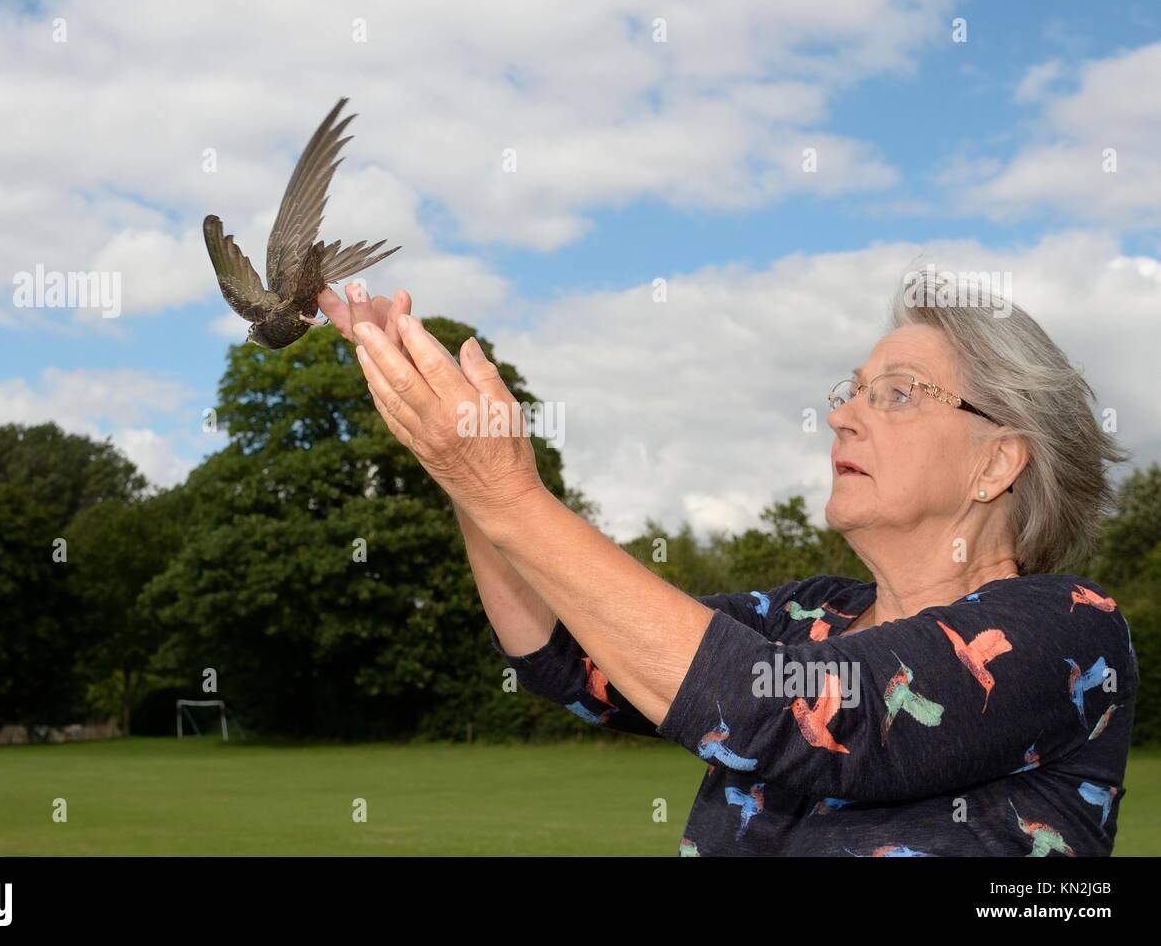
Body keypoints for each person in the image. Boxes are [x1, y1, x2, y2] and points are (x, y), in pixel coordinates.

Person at [322, 268, 1138, 856]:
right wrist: (452, 454)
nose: (844, 416)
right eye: (848, 392)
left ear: (998, 463)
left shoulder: (1067, 628)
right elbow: (570, 659)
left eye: (895, 393)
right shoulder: (805, 617)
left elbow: (786, 713)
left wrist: (507, 493)